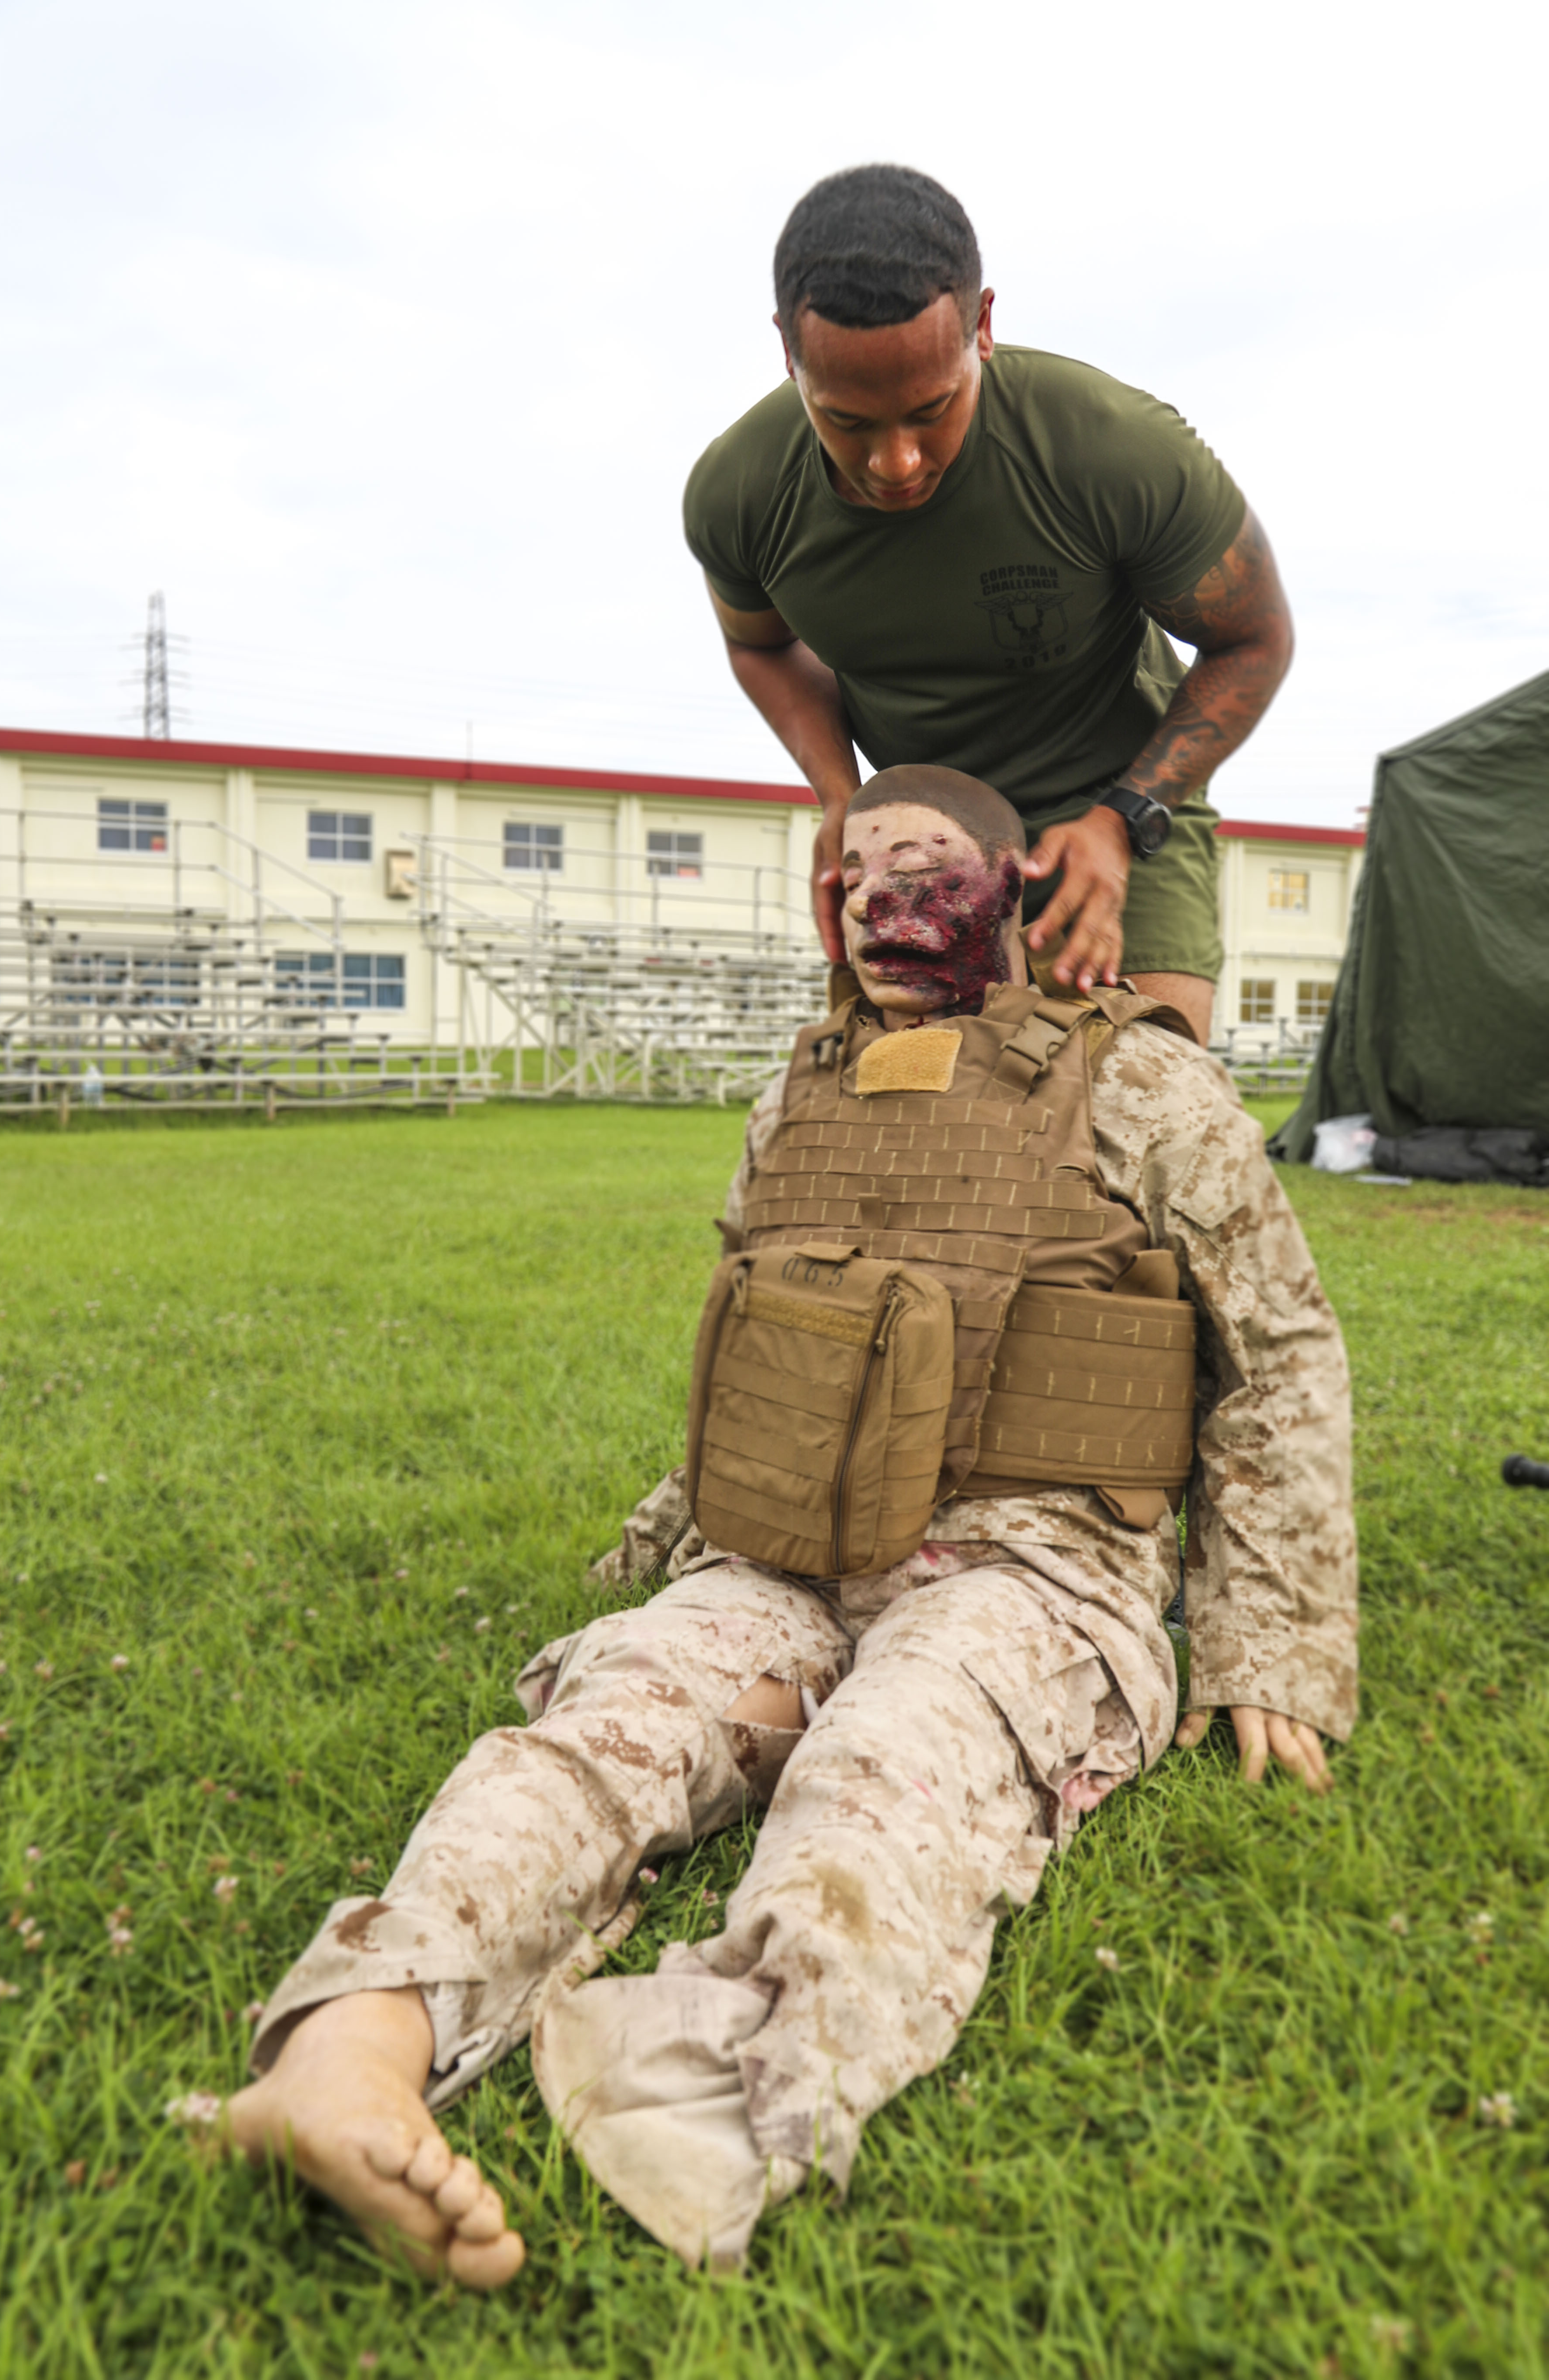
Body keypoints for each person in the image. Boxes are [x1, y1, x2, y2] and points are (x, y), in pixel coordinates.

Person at [224, 766, 1355, 2286]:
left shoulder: (1143, 1085)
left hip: (1032, 1562)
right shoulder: (797, 1092)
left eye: (926, 875)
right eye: (855, 881)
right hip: (785, 1546)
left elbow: (1275, 1351)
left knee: (892, 1760)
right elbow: (765, 1334)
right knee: (609, 1722)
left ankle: (718, 2098)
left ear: (1015, 890)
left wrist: (1268, 1643)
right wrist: (666, 1530)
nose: (884, 909)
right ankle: (349, 2046)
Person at [683, 165, 1297, 1047]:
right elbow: (760, 646)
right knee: (917, 1153)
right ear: (789, 349)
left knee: (1142, 1124)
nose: (896, 463)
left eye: (933, 411)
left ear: (983, 325)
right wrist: (838, 797)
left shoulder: (1109, 449)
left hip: (1115, 818)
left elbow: (1254, 639)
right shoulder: (739, 493)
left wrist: (1127, 820)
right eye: (848, 421)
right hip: (919, 851)